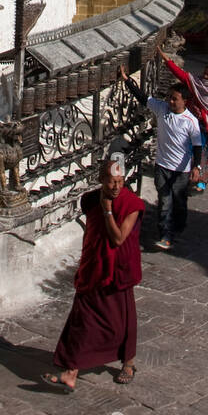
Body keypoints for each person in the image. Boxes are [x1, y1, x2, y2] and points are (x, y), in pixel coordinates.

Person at [41, 158, 144, 393]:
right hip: (94, 268)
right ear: (101, 181)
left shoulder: (132, 205)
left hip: (117, 271)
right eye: (111, 182)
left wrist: (107, 210)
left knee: (122, 319)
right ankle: (70, 372)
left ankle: (128, 361)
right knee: (81, 319)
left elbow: (118, 239)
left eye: (120, 182)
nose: (116, 187)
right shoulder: (89, 200)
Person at [119, 68, 202, 249]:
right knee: (164, 201)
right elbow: (143, 98)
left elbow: (197, 146)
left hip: (181, 170)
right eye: (169, 97)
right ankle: (165, 235)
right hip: (162, 165)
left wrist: (197, 167)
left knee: (178, 202)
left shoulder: (191, 122)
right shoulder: (162, 109)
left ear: (184, 102)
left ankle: (178, 226)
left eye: (175, 99)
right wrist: (127, 80)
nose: (170, 101)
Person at [161, 57, 208, 191]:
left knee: (204, 156)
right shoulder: (197, 83)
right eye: (204, 73)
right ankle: (186, 177)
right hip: (192, 127)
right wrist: (167, 60)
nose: (205, 76)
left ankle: (202, 180)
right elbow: (181, 74)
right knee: (189, 153)